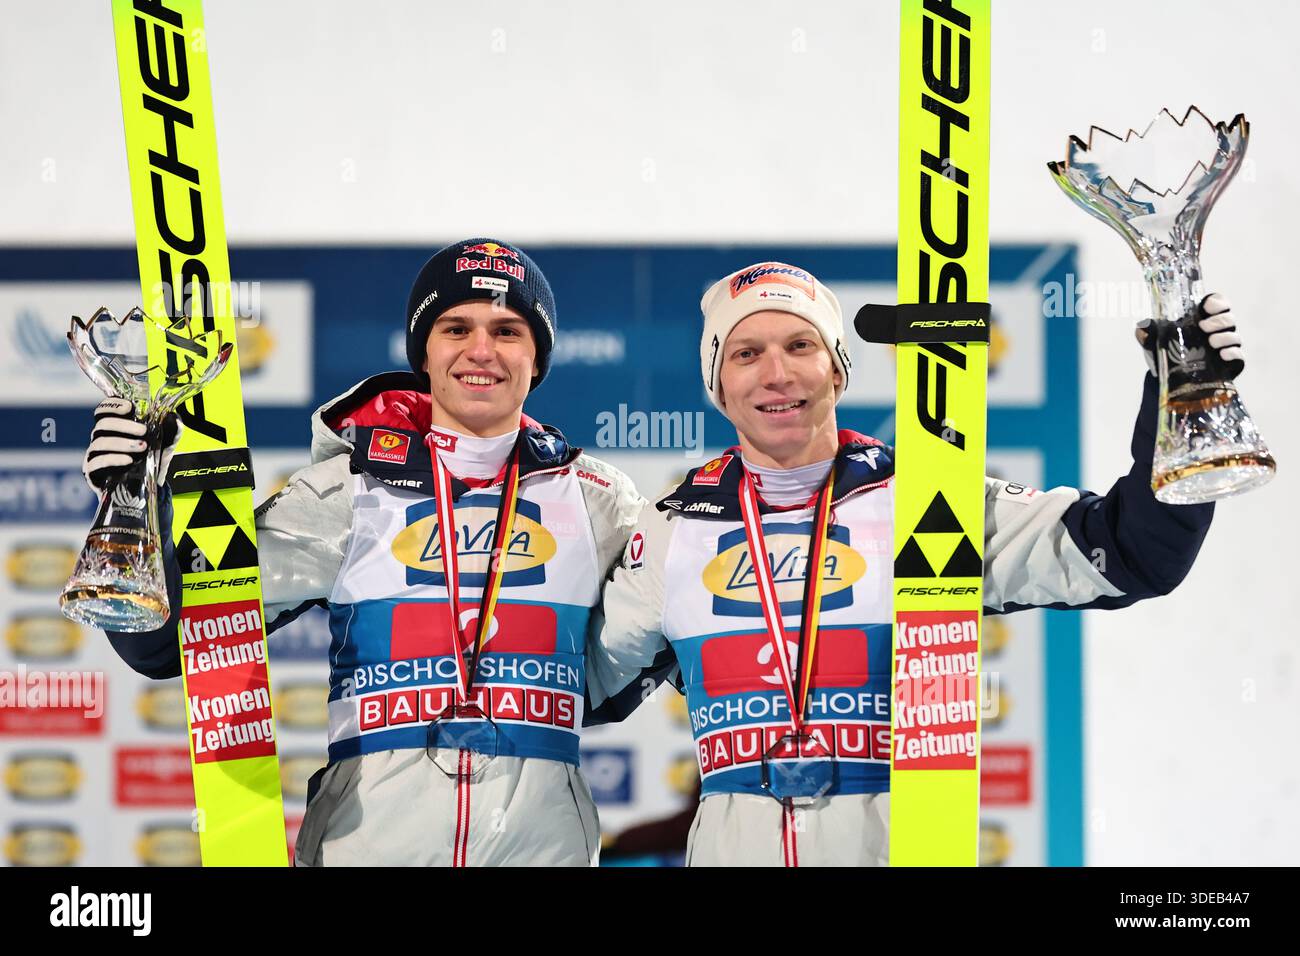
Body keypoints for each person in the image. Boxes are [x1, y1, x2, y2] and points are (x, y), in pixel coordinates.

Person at [586, 260, 1244, 866]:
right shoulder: (675, 530)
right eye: (746, 353)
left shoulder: (929, 500)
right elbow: (569, 691)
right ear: (717, 385)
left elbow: (1137, 550)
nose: (776, 373)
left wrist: (1185, 400)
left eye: (800, 345)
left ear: (838, 369)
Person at [86, 238, 643, 866]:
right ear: (423, 353)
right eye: (456, 326)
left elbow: (622, 677)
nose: (481, 350)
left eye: (508, 329)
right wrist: (134, 508)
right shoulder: (347, 492)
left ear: (537, 355)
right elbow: (164, 643)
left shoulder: (596, 501)